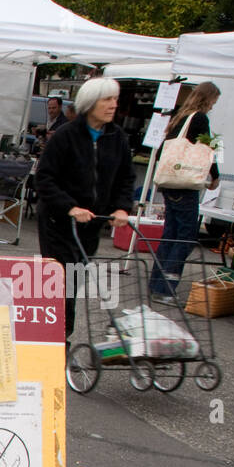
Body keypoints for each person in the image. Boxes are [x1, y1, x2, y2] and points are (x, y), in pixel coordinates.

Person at [35, 77, 134, 349]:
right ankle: (57, 337)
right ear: (90, 104)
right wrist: (70, 206)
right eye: (107, 99)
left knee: (74, 279)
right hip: (59, 221)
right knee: (60, 279)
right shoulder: (67, 136)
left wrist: (122, 207)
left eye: (115, 99)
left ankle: (56, 333)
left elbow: (126, 178)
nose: (113, 105)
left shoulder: (117, 138)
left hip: (92, 223)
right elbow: (44, 178)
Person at [149, 81, 221, 299]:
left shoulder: (179, 117)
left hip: (169, 182)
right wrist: (215, 175)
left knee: (170, 234)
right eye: (213, 101)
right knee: (185, 237)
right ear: (208, 99)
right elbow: (207, 149)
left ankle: (156, 284)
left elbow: (163, 150)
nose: (213, 106)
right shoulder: (199, 118)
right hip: (185, 184)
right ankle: (166, 288)